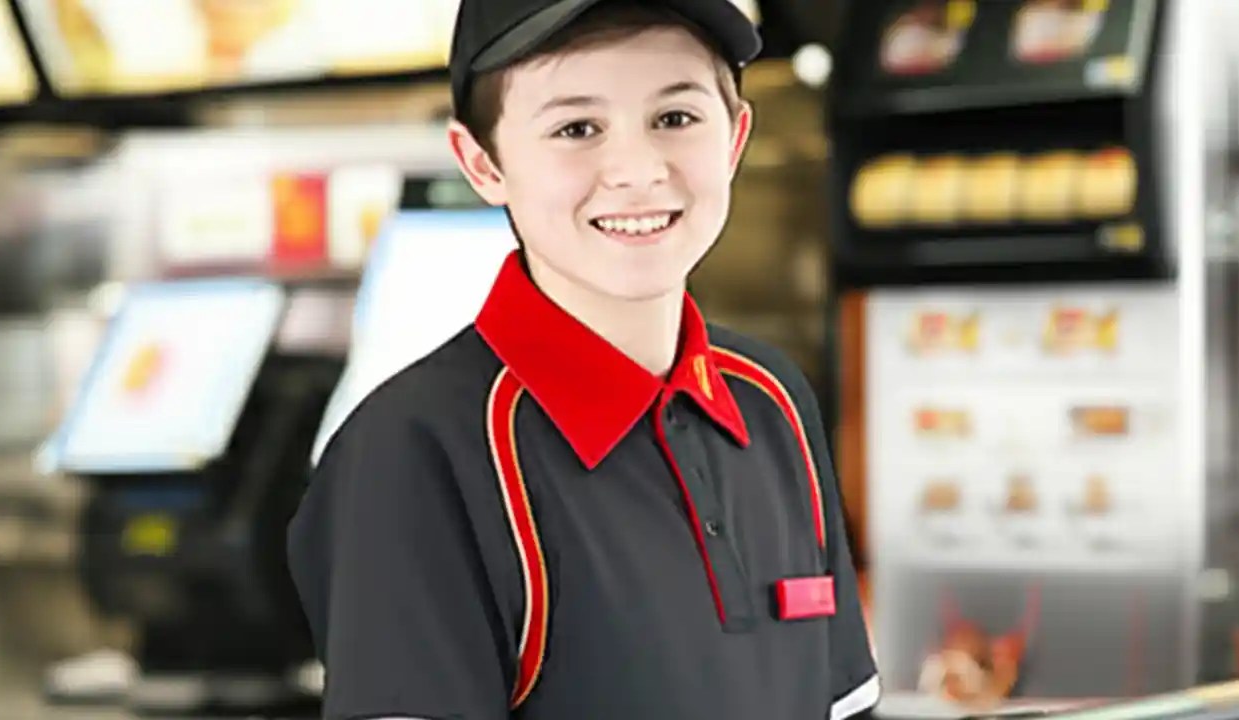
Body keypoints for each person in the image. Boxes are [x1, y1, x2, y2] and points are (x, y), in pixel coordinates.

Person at [286, 0, 881, 718]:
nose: (638, 170)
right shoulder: (414, 452)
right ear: (483, 164)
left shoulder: (773, 400)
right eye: (577, 129)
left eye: (675, 117)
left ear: (735, 138)